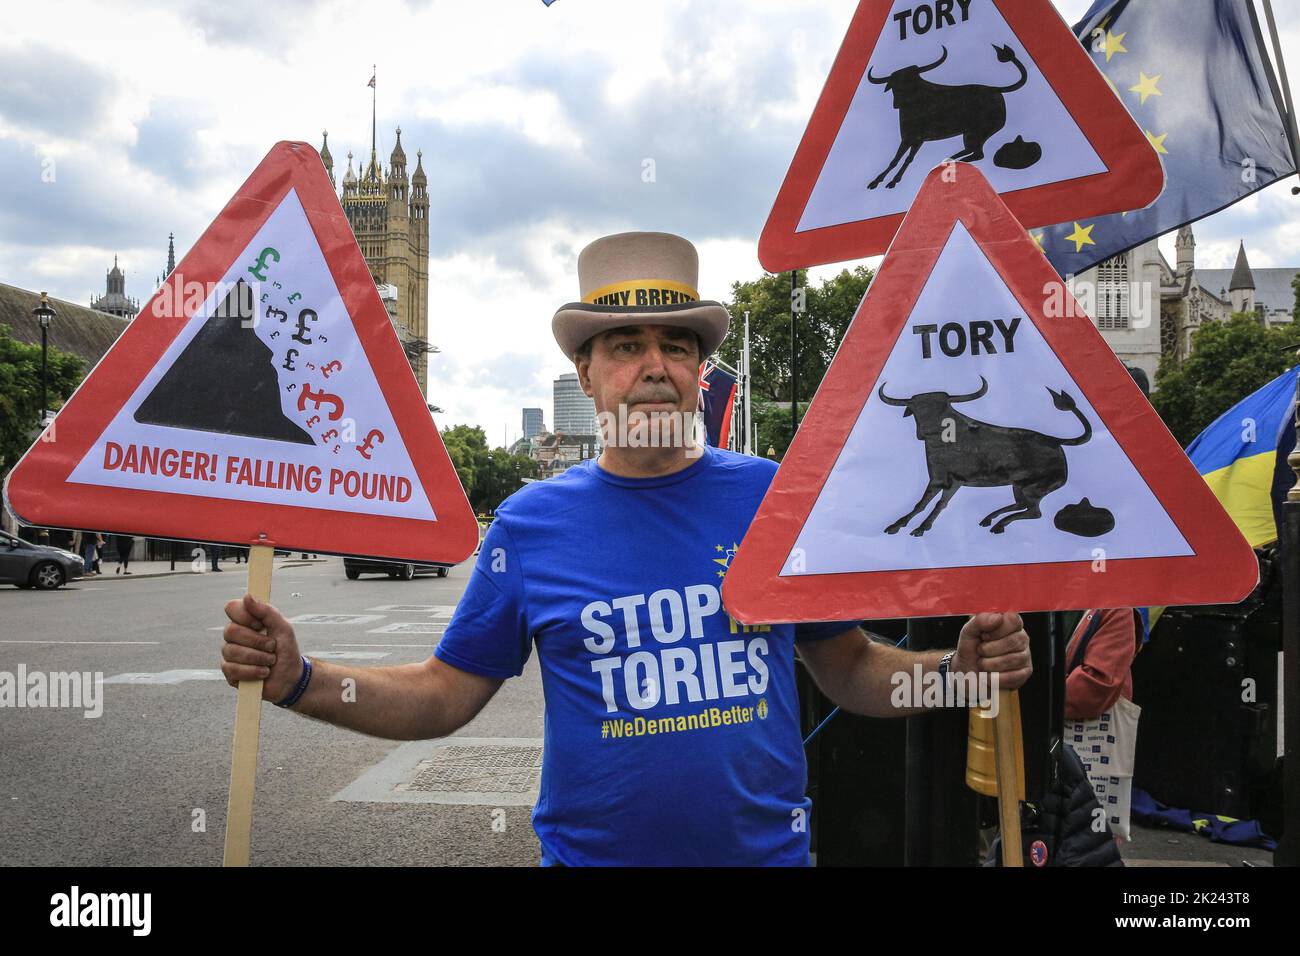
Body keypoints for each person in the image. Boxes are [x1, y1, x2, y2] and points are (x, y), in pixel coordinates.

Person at [220, 232, 1033, 866]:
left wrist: (955, 678)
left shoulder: (774, 498)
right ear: (587, 370)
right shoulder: (530, 525)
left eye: (676, 345)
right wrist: (300, 681)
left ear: (701, 370)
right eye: (625, 345)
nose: (654, 366)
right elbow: (442, 694)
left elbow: (850, 667)